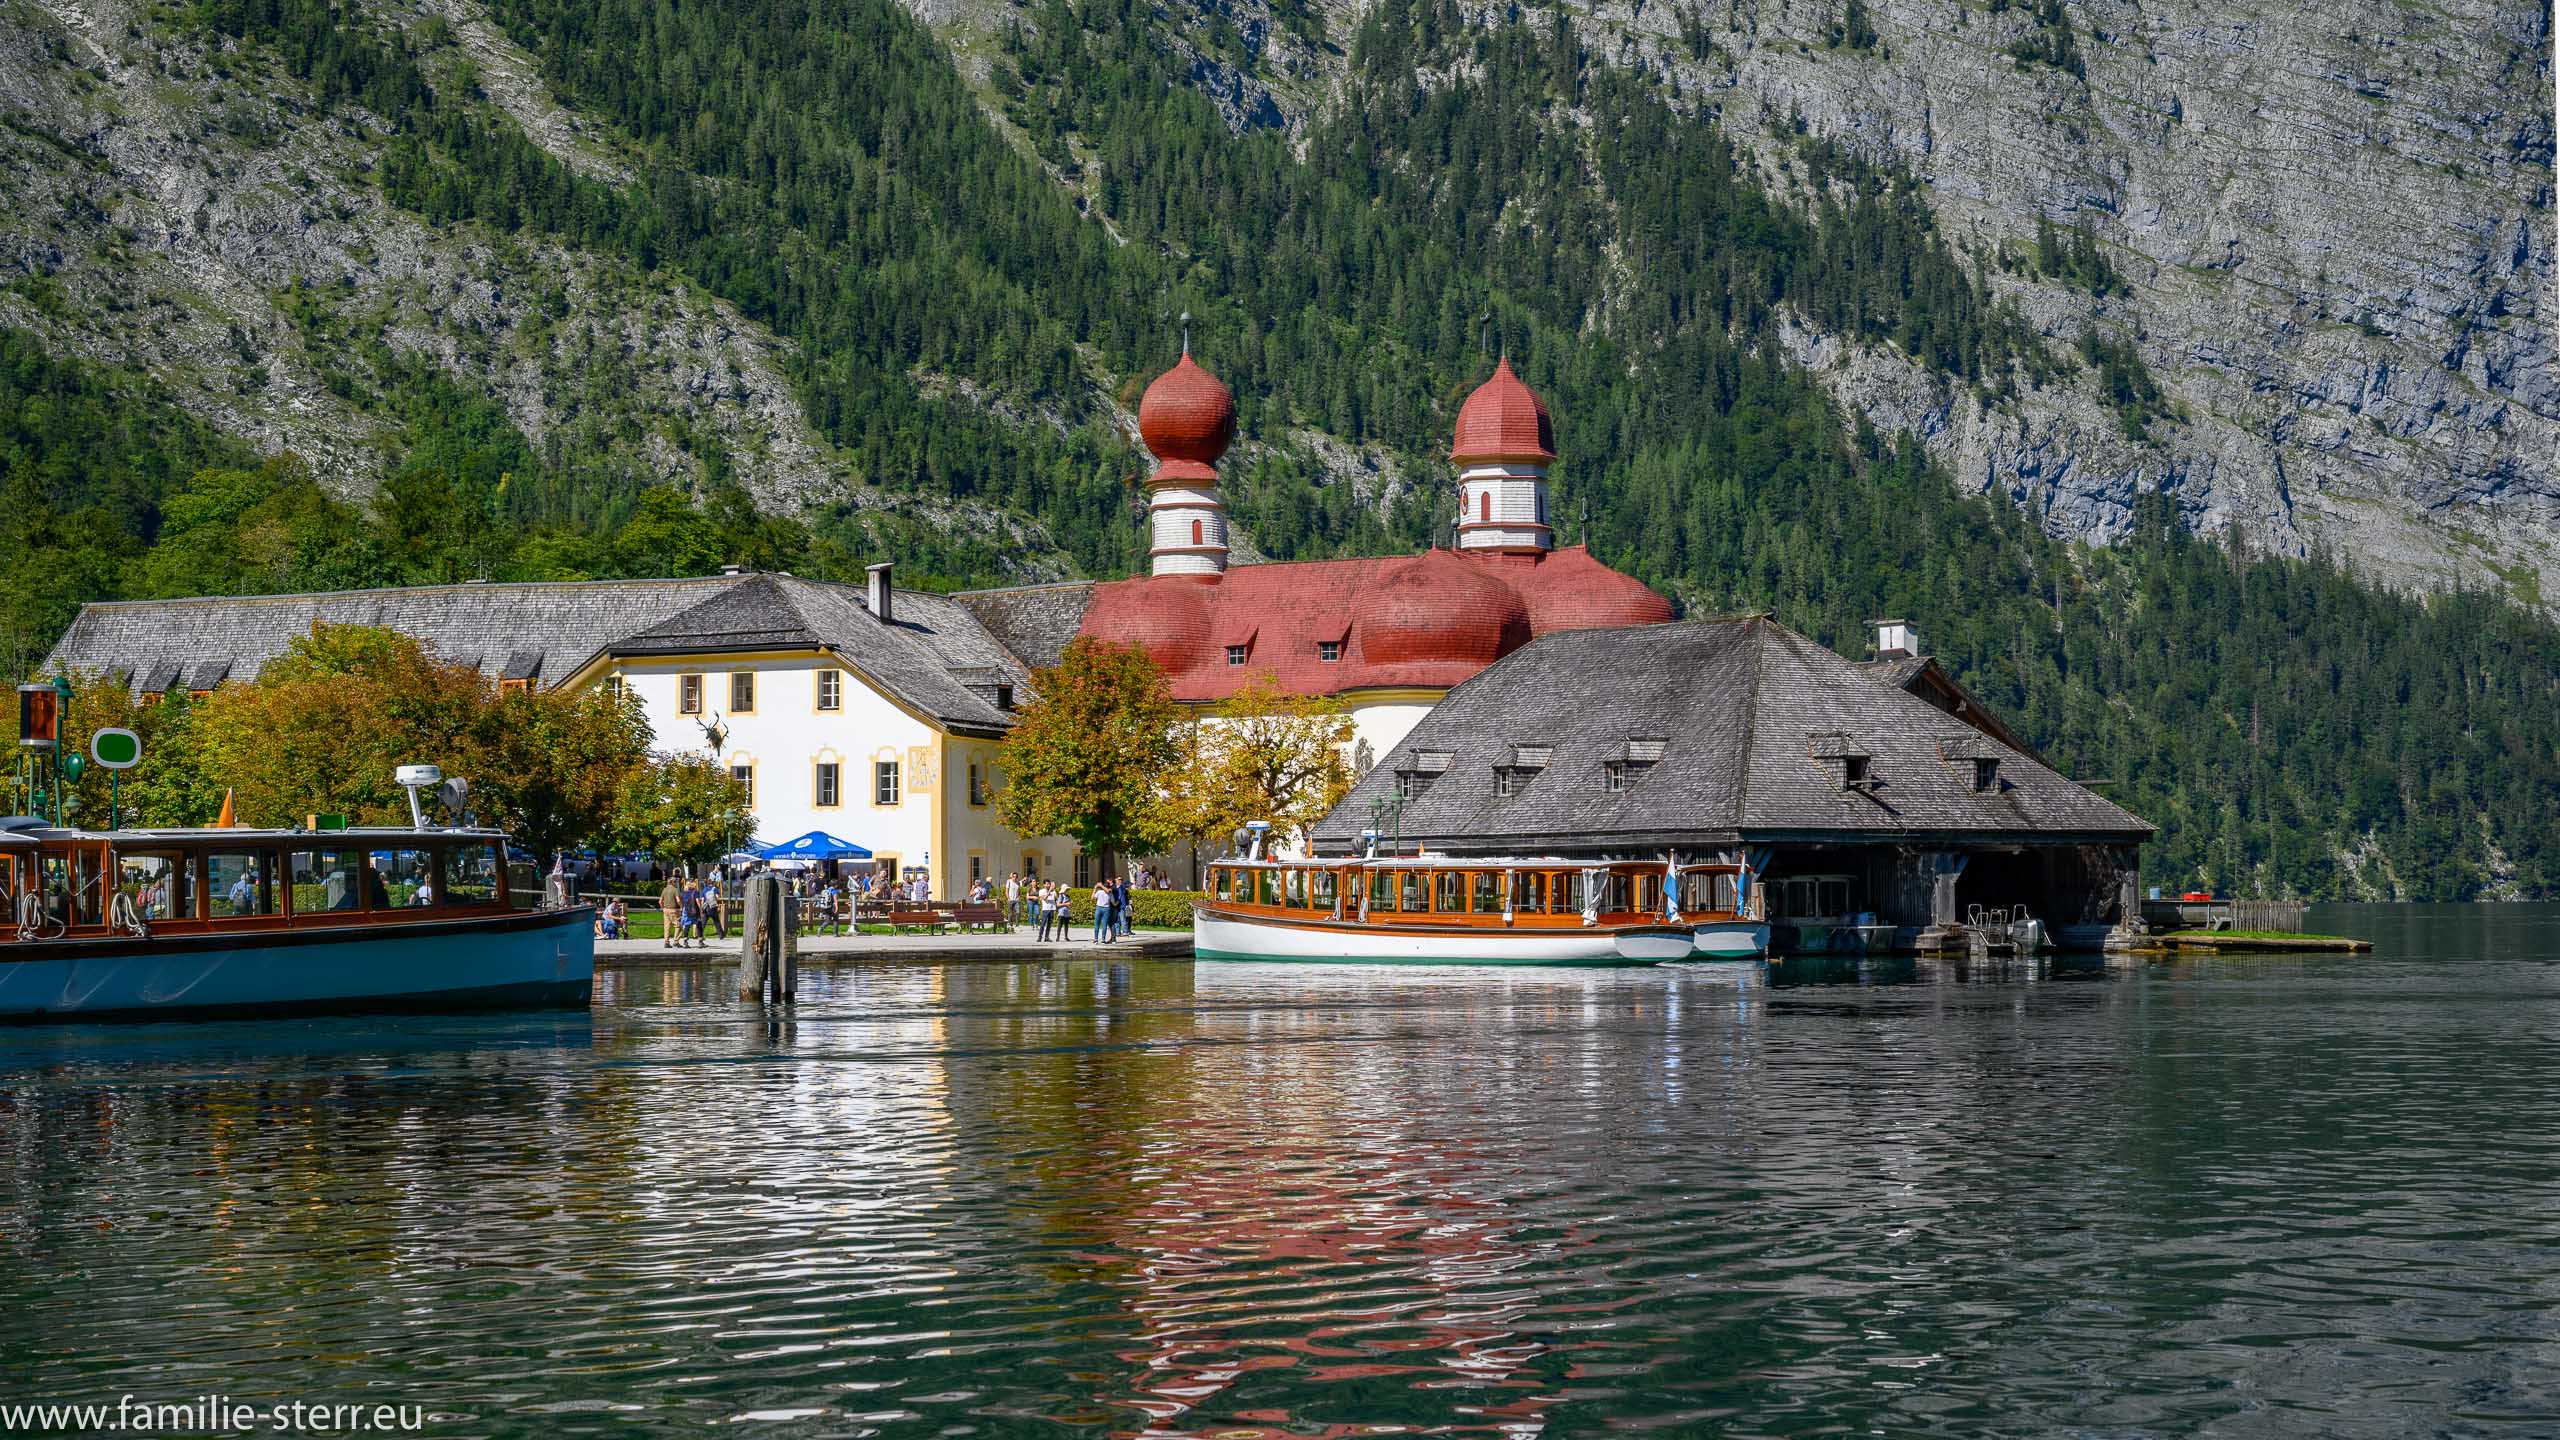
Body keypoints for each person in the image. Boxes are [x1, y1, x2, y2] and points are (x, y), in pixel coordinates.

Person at [657, 874, 682, 948]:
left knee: (667, 927)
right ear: (672, 882)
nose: (676, 883)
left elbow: (660, 901)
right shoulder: (675, 890)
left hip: (665, 910)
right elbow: (678, 900)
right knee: (678, 926)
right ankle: (676, 941)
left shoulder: (665, 889)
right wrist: (681, 906)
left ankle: (666, 942)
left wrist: (662, 908)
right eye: (675, 882)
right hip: (674, 910)